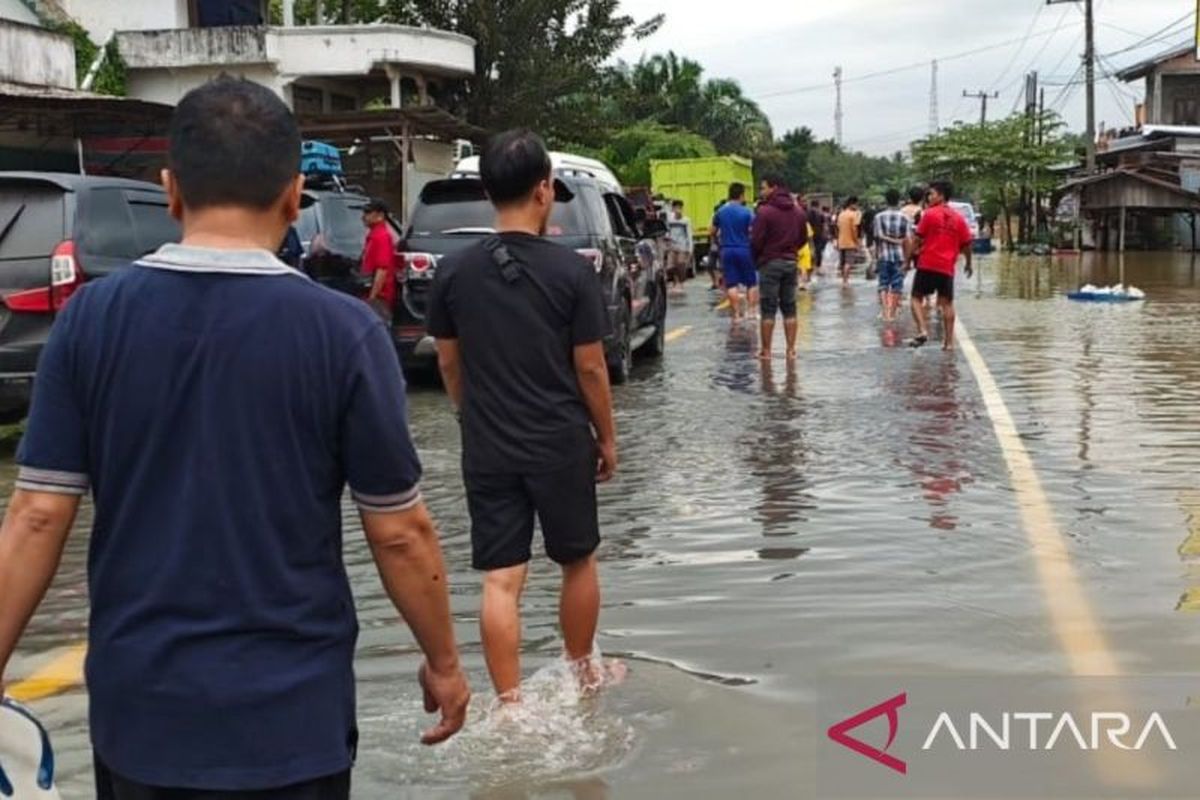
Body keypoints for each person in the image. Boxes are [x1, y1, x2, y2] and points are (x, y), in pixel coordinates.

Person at [0, 77, 469, 799]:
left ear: (171, 190)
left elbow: (36, 516)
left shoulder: (90, 321)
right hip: (294, 724)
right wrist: (443, 659)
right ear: (292, 198)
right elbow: (401, 532)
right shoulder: (345, 334)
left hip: (141, 722)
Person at [427, 129, 618, 704]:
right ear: (545, 190)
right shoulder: (571, 273)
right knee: (577, 560)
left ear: (487, 191)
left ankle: (509, 704)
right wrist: (606, 438)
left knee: (501, 576)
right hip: (560, 440)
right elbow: (590, 369)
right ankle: (584, 673)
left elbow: (449, 361)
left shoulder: (453, 273)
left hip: (488, 442)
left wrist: (471, 414)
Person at [750, 174, 808, 361]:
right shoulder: (798, 211)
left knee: (768, 308)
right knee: (789, 307)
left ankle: (766, 351)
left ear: (773, 188)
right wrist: (790, 251)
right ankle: (791, 350)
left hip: (769, 263)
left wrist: (757, 258)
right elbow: (802, 239)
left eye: (763, 187)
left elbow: (756, 241)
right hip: (791, 263)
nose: (762, 191)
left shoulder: (765, 212)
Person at [911, 180, 973, 350]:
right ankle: (949, 343)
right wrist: (969, 263)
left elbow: (917, 239)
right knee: (947, 303)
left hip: (927, 264)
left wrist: (907, 259)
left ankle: (923, 330)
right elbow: (967, 245)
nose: (929, 197)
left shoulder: (929, 215)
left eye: (931, 193)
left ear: (941, 196)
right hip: (946, 267)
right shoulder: (959, 219)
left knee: (916, 298)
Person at [713, 182, 757, 321]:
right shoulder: (747, 212)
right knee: (751, 282)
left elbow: (712, 231)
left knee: (731, 284)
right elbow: (753, 231)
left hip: (727, 250)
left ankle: (736, 315)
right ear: (741, 195)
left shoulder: (720, 212)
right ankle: (751, 312)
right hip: (744, 249)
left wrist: (719, 243)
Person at [872, 188, 913, 322]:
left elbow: (877, 238)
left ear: (886, 200)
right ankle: (892, 313)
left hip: (883, 255)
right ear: (898, 200)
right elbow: (908, 241)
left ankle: (885, 312)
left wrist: (875, 257)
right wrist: (908, 261)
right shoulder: (905, 218)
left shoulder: (878, 217)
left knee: (883, 284)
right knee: (897, 285)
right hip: (899, 256)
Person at [361, 198, 398, 323]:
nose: (364, 216)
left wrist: (372, 297)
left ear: (380, 215)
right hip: (370, 293)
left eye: (368, 213)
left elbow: (382, 270)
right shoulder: (373, 235)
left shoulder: (381, 237)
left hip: (379, 297)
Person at [666, 199, 693, 294]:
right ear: (673, 208)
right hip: (672, 246)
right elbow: (666, 231)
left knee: (681, 264)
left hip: (682, 246)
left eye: (680, 208)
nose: (678, 209)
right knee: (671, 266)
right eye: (676, 207)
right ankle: (675, 282)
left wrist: (690, 248)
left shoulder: (686, 220)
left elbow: (689, 234)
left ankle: (680, 283)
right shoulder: (669, 219)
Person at [836, 196, 863, 286]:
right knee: (848, 263)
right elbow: (854, 229)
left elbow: (838, 228)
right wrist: (857, 241)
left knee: (843, 263)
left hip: (841, 241)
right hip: (850, 242)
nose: (857, 206)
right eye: (856, 204)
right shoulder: (853, 215)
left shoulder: (841, 214)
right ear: (852, 204)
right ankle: (845, 281)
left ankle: (843, 280)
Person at [808, 200, 827, 271]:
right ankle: (818, 265)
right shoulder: (820, 214)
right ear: (818, 205)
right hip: (819, 234)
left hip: (809, 234)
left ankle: (811, 265)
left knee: (810, 249)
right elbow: (824, 225)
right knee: (818, 250)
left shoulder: (807, 212)